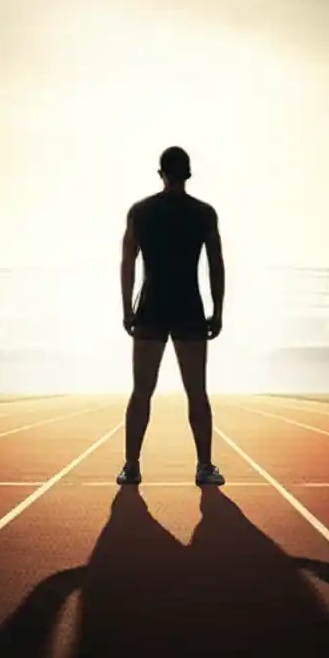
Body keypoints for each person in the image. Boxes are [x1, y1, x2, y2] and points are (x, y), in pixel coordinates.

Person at [118, 146, 225, 486]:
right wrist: (217, 309)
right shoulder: (204, 214)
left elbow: (127, 262)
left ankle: (131, 466)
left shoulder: (140, 212)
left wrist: (126, 309)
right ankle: (204, 466)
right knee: (197, 392)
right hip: (188, 308)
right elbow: (216, 265)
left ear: (160, 173)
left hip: (151, 307)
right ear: (188, 174)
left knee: (141, 391)